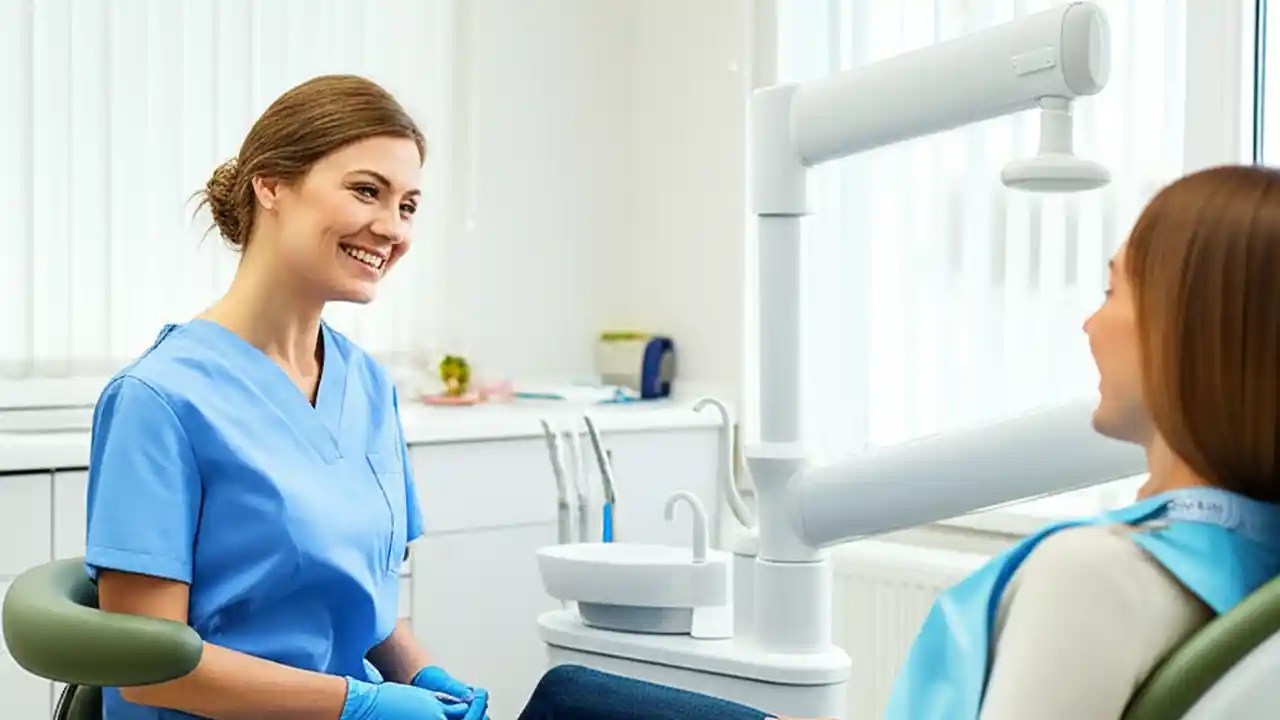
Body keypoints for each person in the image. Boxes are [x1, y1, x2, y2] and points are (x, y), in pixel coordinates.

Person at [85, 74, 488, 720]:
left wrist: (422, 676)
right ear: (270, 183)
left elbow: (359, 602)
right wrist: (358, 705)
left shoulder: (368, 386)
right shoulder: (159, 400)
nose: (391, 228)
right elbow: (148, 672)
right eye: (366, 191)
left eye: (408, 206)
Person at [885, 164, 1280, 719]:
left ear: (1183, 330)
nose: (1090, 324)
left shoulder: (1093, 580)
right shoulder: (1253, 559)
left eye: (1113, 290)